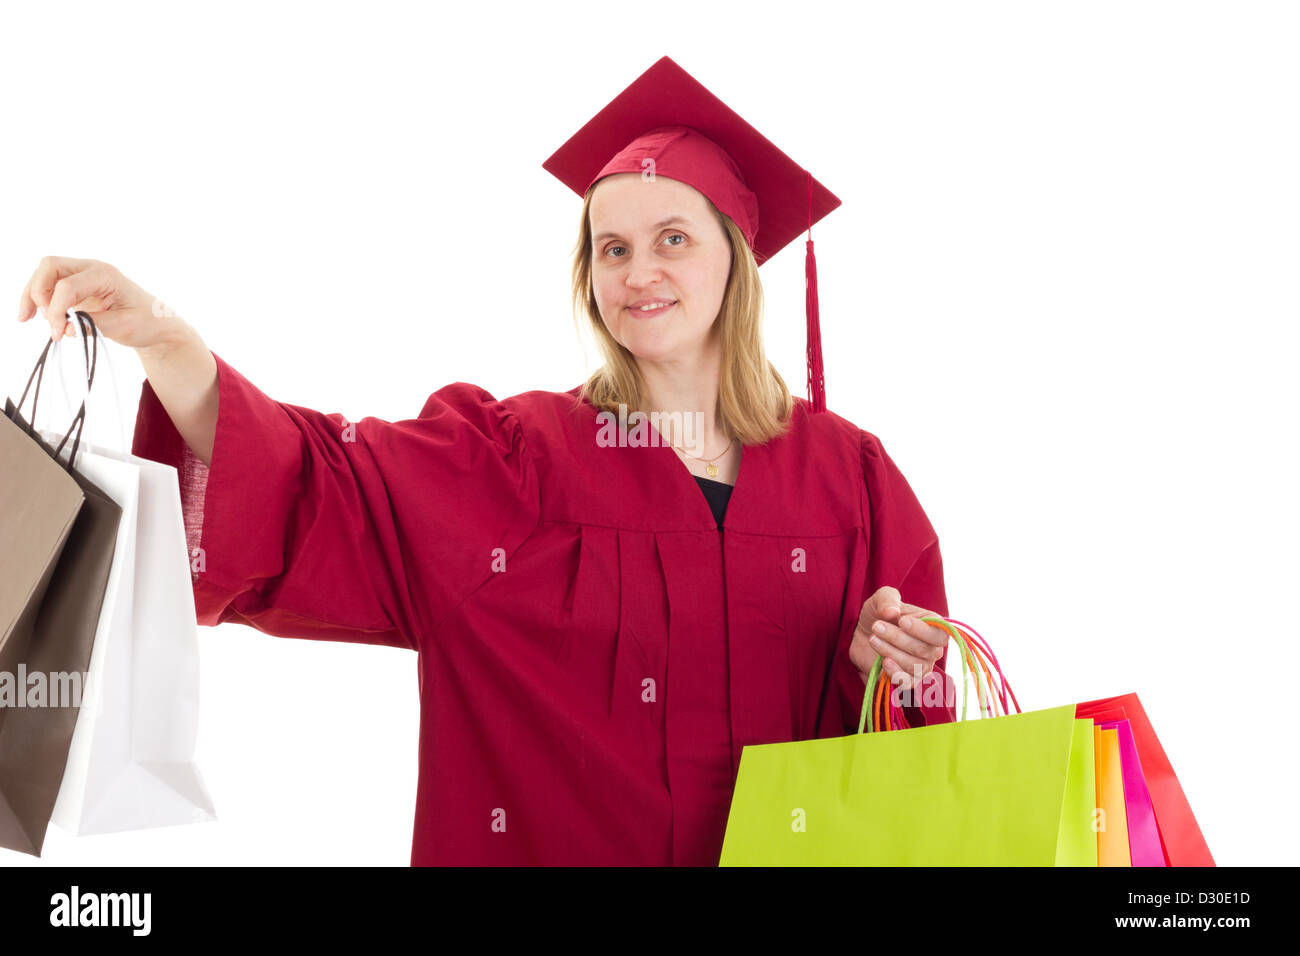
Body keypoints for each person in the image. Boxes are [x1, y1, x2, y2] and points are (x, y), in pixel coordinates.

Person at [15, 56, 957, 866]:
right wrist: (169, 343)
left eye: (674, 239)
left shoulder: (854, 481)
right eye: (612, 247)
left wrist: (890, 672)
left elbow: (916, 748)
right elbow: (322, 489)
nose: (638, 273)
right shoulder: (514, 463)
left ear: (736, 258)